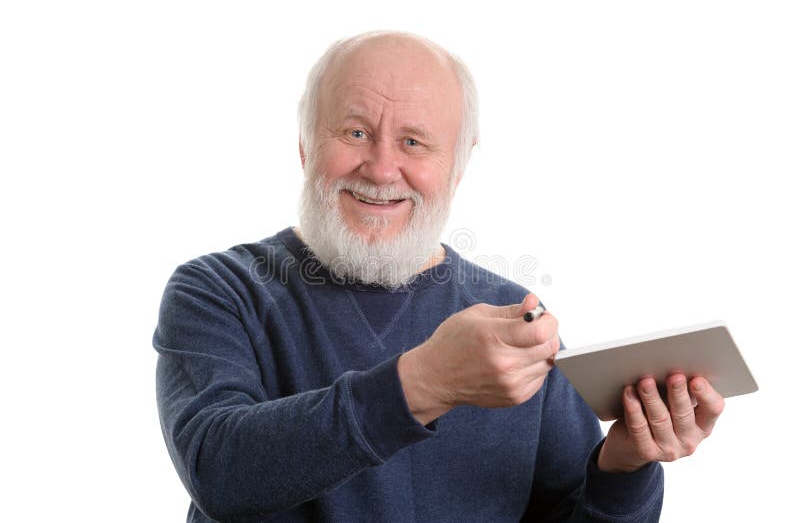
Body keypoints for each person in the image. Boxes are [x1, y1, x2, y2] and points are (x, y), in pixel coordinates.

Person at [154, 31, 725, 522]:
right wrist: (424, 382)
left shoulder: (512, 318)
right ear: (305, 144)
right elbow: (218, 471)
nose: (380, 168)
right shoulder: (219, 291)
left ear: (458, 164)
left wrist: (623, 466)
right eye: (354, 133)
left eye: (413, 142)